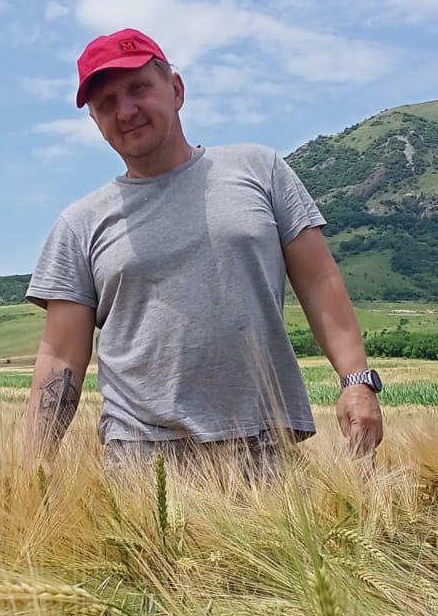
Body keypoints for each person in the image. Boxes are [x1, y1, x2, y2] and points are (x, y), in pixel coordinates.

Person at [25, 27, 384, 469]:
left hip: (265, 444)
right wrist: (31, 470)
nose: (126, 111)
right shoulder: (80, 225)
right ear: (95, 122)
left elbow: (319, 279)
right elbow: (60, 355)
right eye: (107, 104)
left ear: (175, 90)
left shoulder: (260, 170)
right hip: (139, 461)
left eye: (138, 88)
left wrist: (357, 380)